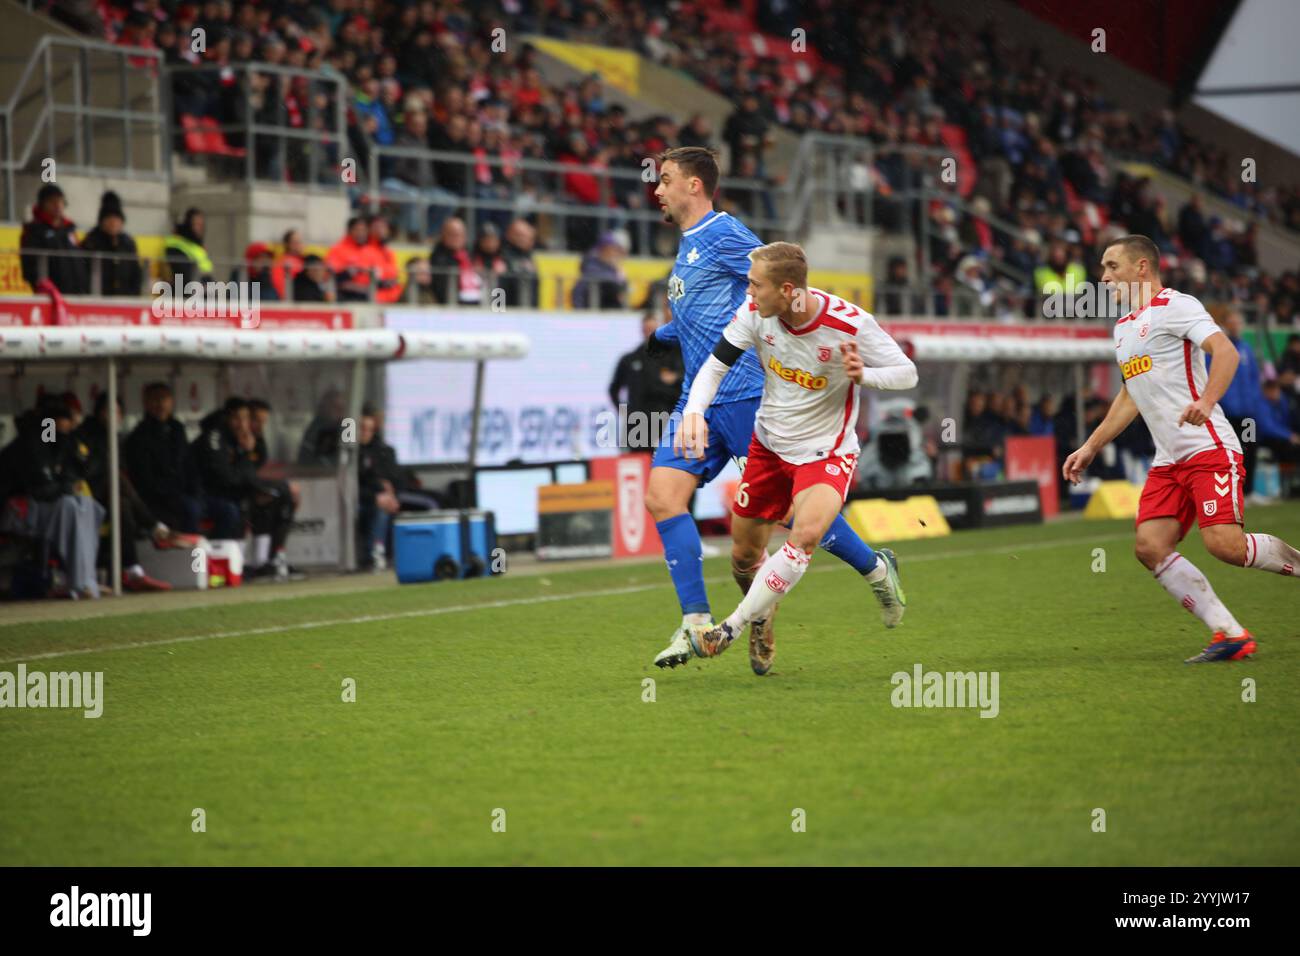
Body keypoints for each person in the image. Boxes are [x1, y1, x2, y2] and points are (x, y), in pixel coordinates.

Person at [644, 147, 897, 673]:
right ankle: (696, 620)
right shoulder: (688, 247)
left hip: (744, 394)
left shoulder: (723, 233)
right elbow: (708, 307)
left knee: (789, 518)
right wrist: (668, 332)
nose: (657, 190)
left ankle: (874, 567)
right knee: (663, 498)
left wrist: (820, 337)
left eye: (665, 180)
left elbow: (777, 284)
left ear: (695, 186)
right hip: (700, 396)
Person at [670, 242, 916, 668]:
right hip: (767, 446)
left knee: (803, 538)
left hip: (826, 452)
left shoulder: (848, 322)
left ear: (787, 289)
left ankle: (729, 629)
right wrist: (693, 413)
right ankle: (875, 572)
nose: (748, 293)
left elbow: (907, 373)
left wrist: (866, 374)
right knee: (744, 557)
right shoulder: (754, 314)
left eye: (755, 285)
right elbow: (714, 366)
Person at [1063, 235, 1300, 663]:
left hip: (1208, 448)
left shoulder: (1178, 305)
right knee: (1150, 546)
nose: (1104, 276)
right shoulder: (1122, 329)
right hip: (1168, 460)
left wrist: (1206, 402)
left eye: (1112, 266)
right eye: (1102, 267)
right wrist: (1090, 446)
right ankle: (1230, 635)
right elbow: (1130, 397)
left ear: (1141, 268)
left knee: (1225, 546)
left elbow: (1225, 353)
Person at [0, 395, 101, 598]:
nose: (69, 424)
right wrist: (66, 486)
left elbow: (79, 470)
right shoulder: (34, 439)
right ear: (50, 421)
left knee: (86, 505)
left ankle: (84, 579)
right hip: (20, 510)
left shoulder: (61, 439)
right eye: (63, 420)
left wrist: (69, 445)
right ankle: (77, 581)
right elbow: (41, 486)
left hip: (48, 505)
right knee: (70, 505)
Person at [124, 382, 205, 535]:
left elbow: (189, 465)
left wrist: (195, 491)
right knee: (191, 509)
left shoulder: (177, 429)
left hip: (185, 493)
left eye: (164, 399)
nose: (161, 404)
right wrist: (172, 492)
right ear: (146, 403)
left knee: (225, 509)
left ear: (172, 401)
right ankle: (191, 556)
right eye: (155, 399)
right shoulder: (139, 437)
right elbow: (144, 478)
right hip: (158, 497)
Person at [608, 311, 683, 452]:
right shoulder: (630, 359)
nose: (649, 333)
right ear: (641, 331)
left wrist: (676, 377)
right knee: (637, 464)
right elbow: (613, 389)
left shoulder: (673, 356)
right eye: (647, 329)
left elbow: (686, 382)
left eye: (653, 330)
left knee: (665, 462)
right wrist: (624, 410)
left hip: (666, 421)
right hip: (637, 423)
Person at [20, 183, 88, 294]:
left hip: (77, 294)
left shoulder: (69, 229)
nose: (57, 205)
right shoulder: (34, 231)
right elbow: (30, 266)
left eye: (60, 201)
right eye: (52, 201)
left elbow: (80, 261)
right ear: (42, 204)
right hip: (50, 296)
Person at [78, 191, 143, 297]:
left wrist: (133, 296)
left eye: (116, 218)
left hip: (125, 302)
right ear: (101, 221)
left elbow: (136, 275)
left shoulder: (128, 244)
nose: (113, 222)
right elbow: (82, 275)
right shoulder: (90, 242)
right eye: (109, 218)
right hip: (97, 302)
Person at [164, 207, 214, 286]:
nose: (200, 228)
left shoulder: (197, 246)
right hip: (184, 292)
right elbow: (182, 275)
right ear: (188, 224)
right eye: (196, 224)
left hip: (202, 289)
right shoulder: (176, 244)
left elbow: (207, 273)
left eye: (202, 225)